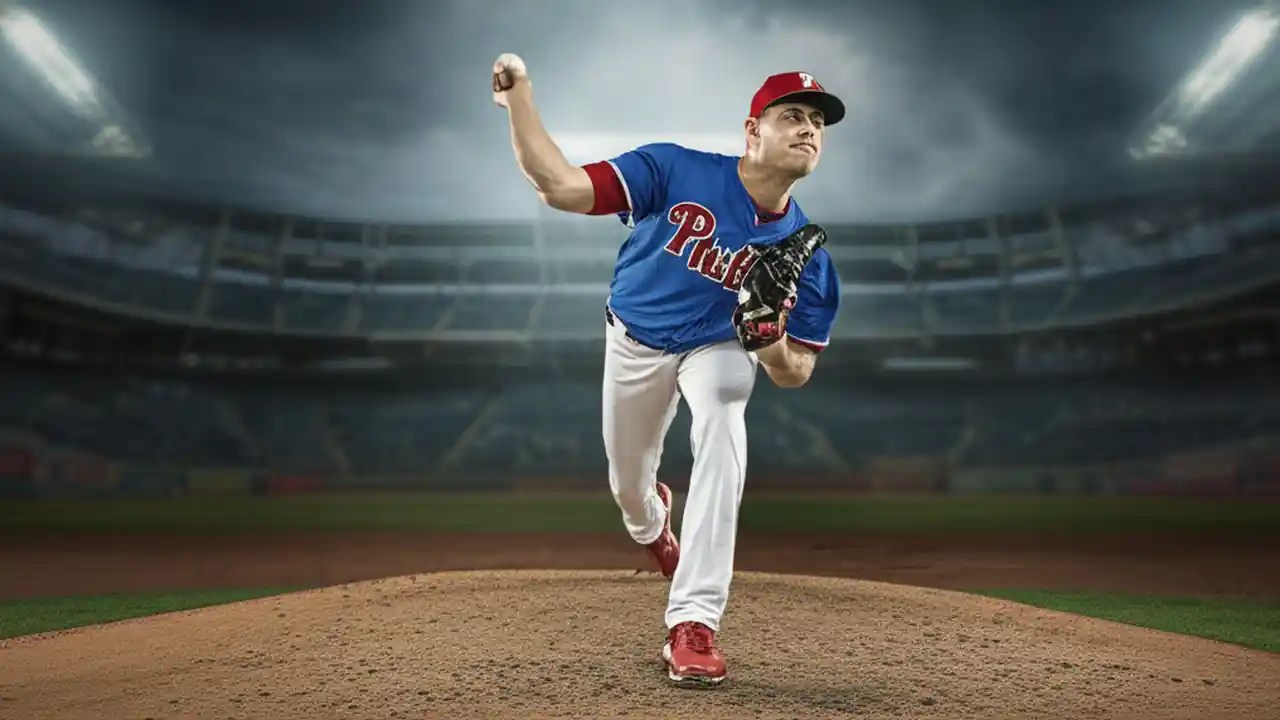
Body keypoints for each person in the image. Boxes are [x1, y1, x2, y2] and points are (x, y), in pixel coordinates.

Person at [492, 52, 842, 687]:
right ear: (751, 130)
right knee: (628, 488)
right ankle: (651, 520)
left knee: (724, 418)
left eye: (818, 121)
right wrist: (519, 100)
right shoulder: (673, 168)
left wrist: (764, 339)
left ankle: (695, 621)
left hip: (718, 349)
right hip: (634, 340)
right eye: (792, 114)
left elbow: (793, 372)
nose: (808, 128)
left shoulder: (809, 256)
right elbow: (562, 188)